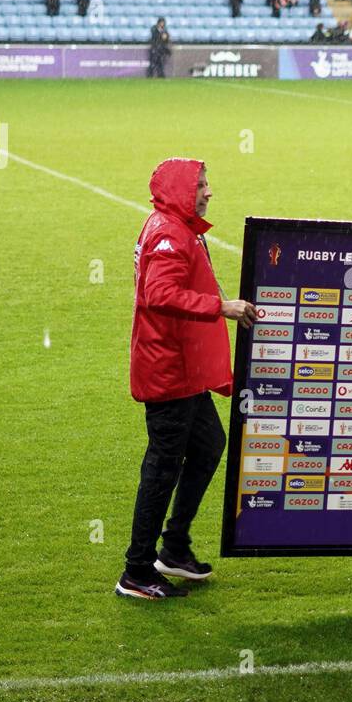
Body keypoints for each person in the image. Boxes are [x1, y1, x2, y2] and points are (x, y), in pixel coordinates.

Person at [118, 158, 256, 600]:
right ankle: (137, 571)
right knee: (162, 467)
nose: (209, 191)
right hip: (168, 371)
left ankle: (173, 547)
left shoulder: (175, 225)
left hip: (182, 368)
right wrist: (221, 307)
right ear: (181, 189)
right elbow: (158, 293)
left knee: (209, 445)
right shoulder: (169, 232)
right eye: (200, 184)